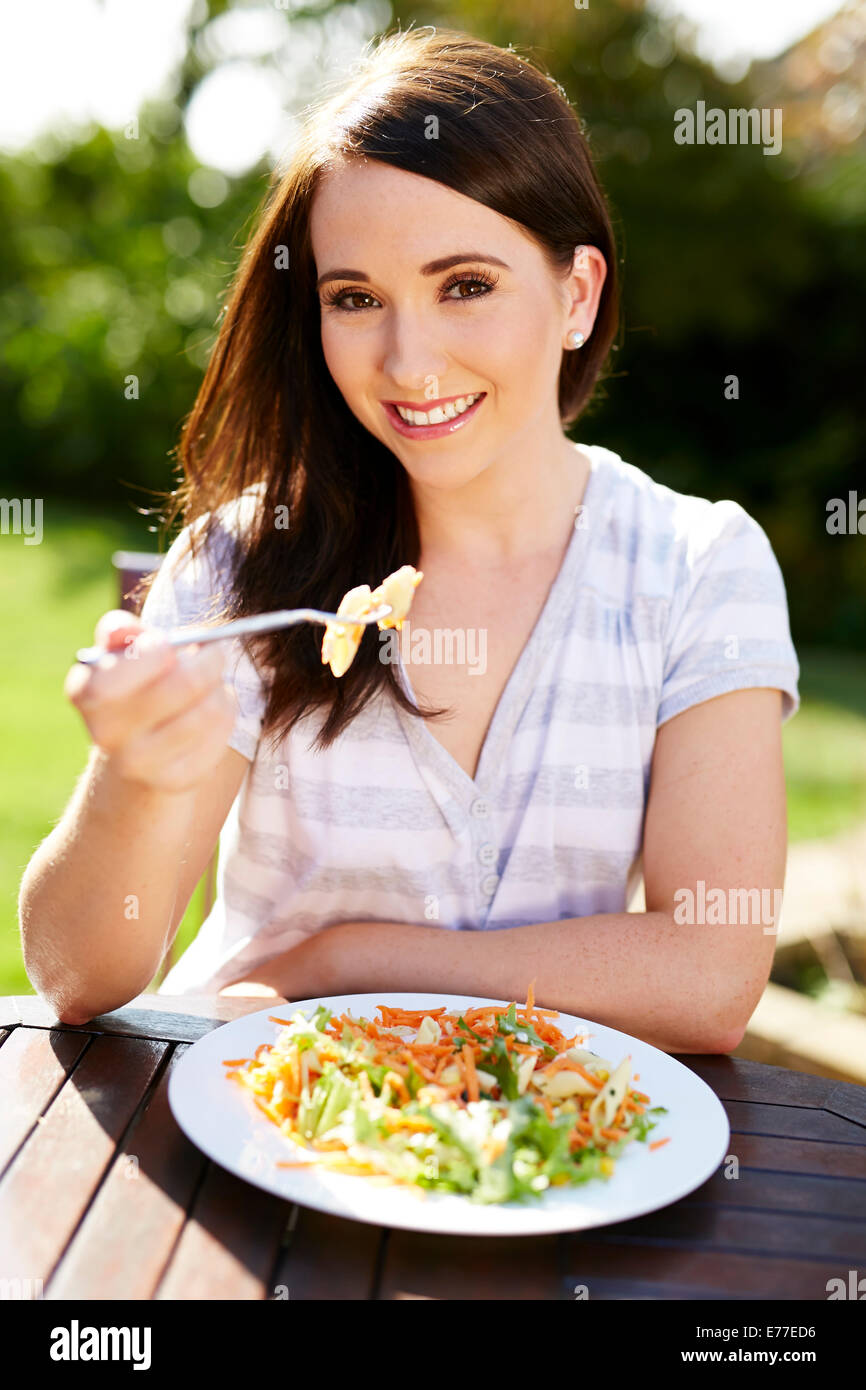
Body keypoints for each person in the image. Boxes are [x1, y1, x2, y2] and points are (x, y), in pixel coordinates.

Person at [19, 27, 799, 1054]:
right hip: (247, 1117)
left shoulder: (698, 568)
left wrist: (339, 962)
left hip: (533, 1142)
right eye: (356, 299)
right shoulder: (245, 565)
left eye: (464, 284)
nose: (408, 360)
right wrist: (135, 776)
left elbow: (709, 974)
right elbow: (77, 978)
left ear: (576, 294)